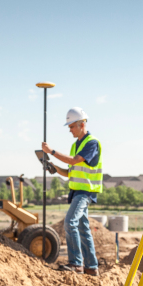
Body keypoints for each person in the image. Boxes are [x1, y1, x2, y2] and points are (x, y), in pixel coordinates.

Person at [41, 107, 103, 276]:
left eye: (71, 126)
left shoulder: (91, 143)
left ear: (82, 124)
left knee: (70, 222)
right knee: (83, 229)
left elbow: (74, 161)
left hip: (85, 192)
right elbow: (70, 172)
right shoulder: (75, 145)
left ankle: (76, 264)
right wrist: (54, 167)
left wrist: (51, 152)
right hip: (76, 191)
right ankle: (91, 267)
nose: (69, 130)